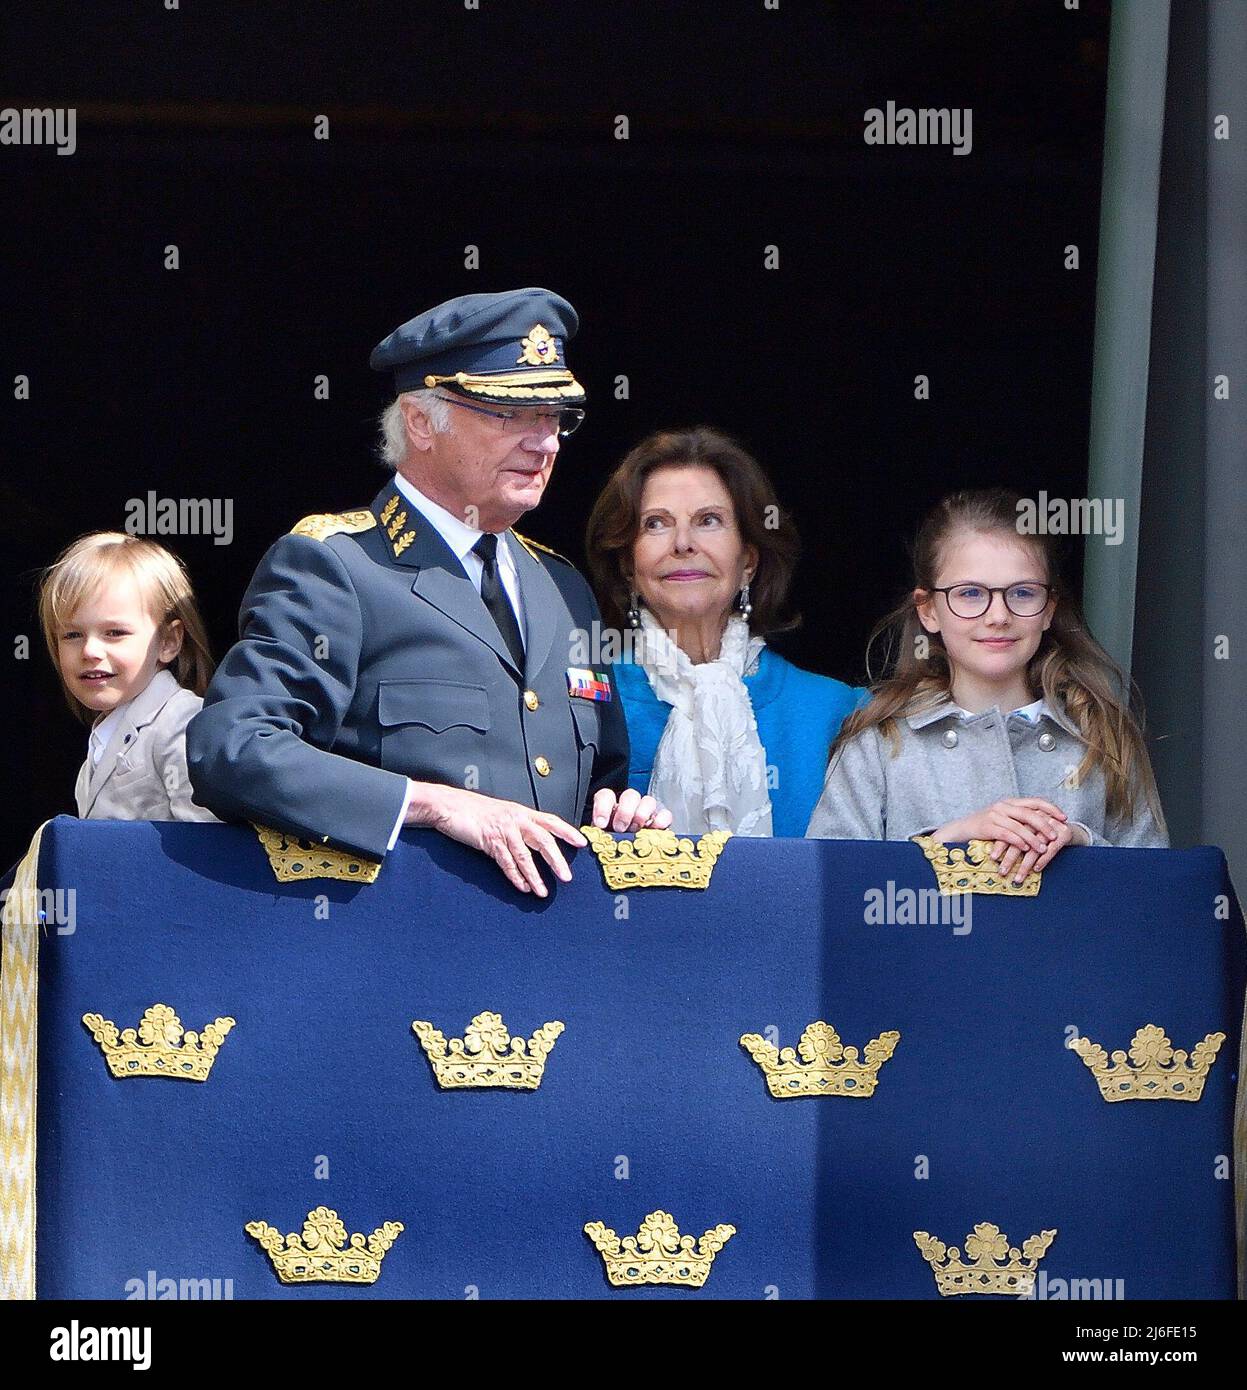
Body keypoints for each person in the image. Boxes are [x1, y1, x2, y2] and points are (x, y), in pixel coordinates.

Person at [187, 288, 668, 896]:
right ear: (421, 422)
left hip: (551, 963)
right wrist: (433, 805)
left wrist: (621, 813)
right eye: (509, 414)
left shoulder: (562, 585)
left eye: (555, 418)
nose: (544, 442)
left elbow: (601, 777)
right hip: (398, 958)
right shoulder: (337, 565)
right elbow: (230, 749)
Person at [805, 487, 1168, 878]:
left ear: (1049, 610)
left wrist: (1083, 846)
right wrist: (949, 842)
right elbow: (829, 892)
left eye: (1023, 593)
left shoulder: (1101, 737)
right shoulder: (878, 744)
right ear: (928, 611)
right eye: (971, 593)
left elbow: (1158, 898)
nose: (998, 615)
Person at [585, 427, 864, 836]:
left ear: (748, 560)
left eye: (709, 521)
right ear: (628, 565)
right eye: (656, 524)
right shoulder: (586, 704)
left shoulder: (839, 713)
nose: (683, 543)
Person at [38, 532, 219, 821]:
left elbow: (206, 846)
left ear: (168, 641)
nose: (90, 651)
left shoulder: (184, 725)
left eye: (114, 633)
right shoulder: (97, 746)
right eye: (72, 635)